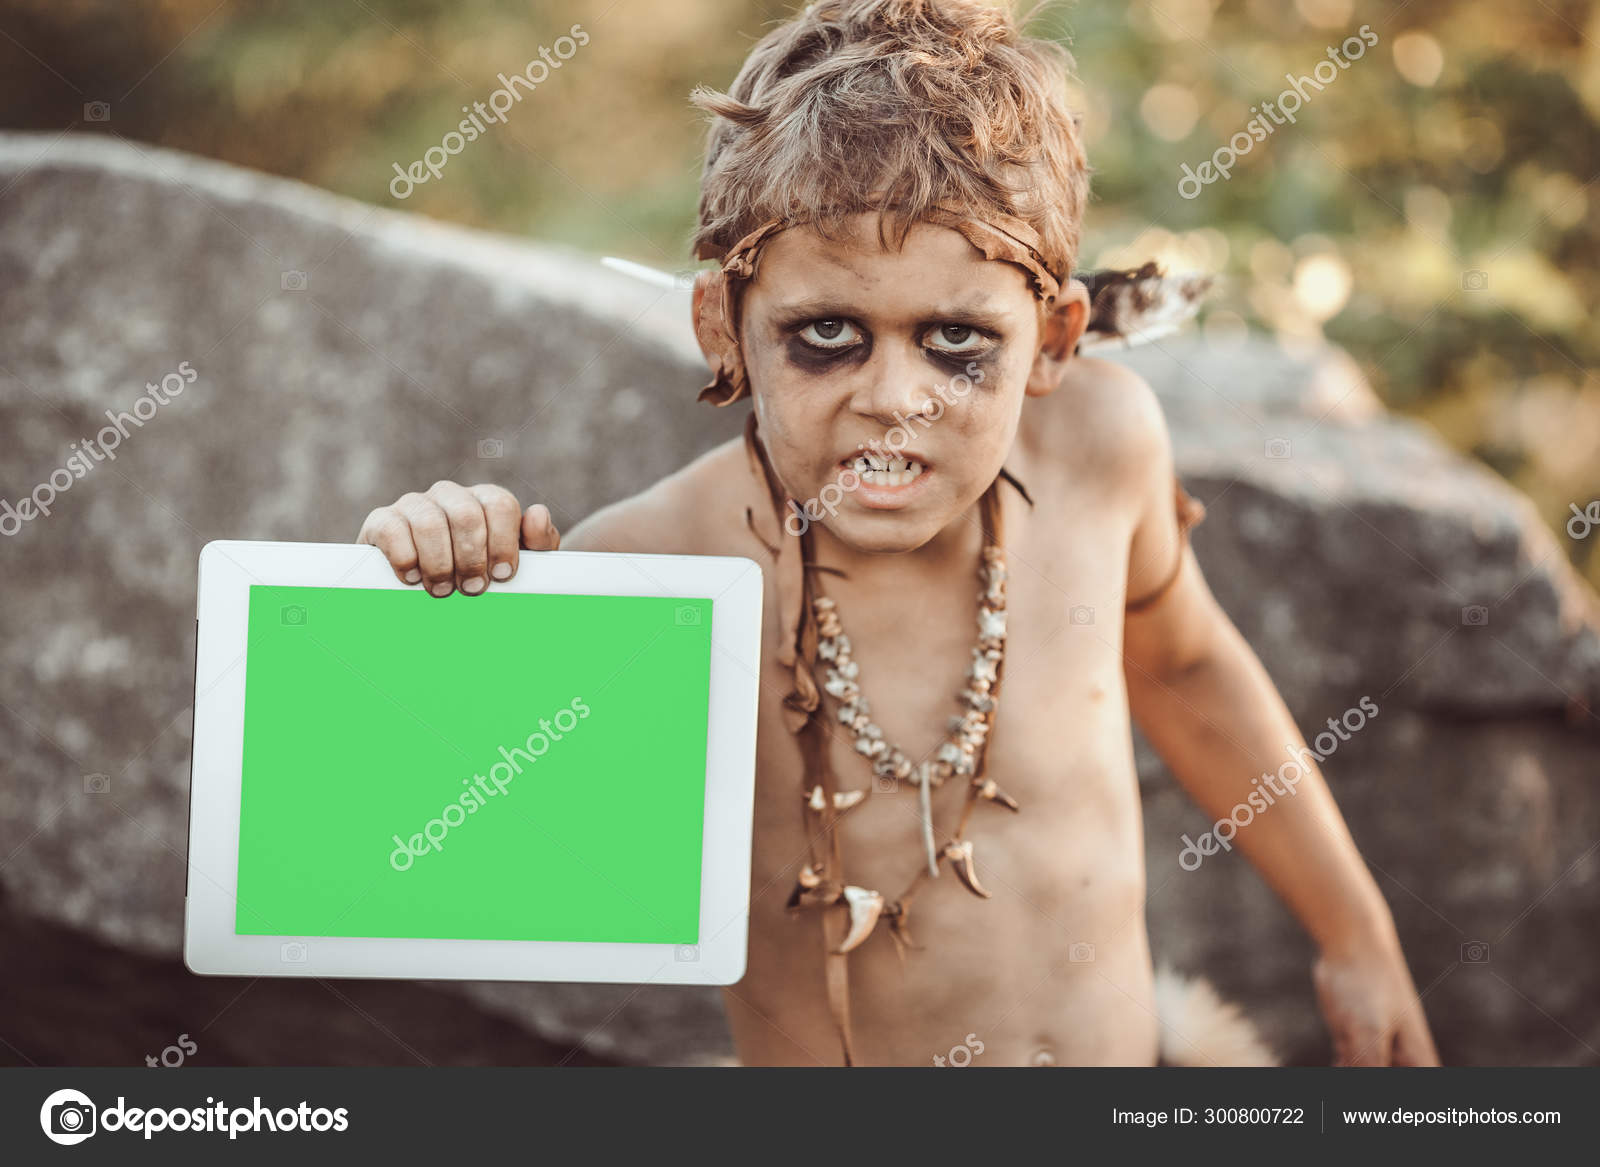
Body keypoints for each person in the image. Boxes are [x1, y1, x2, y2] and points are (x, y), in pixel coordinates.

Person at [357, 0, 1438, 1067]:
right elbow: (440, 812)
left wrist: (1356, 932)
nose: (896, 399)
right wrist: (455, 582)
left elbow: (1190, 669)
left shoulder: (1101, 454)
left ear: (1055, 340)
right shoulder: (657, 570)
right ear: (722, 329)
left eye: (957, 340)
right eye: (826, 334)